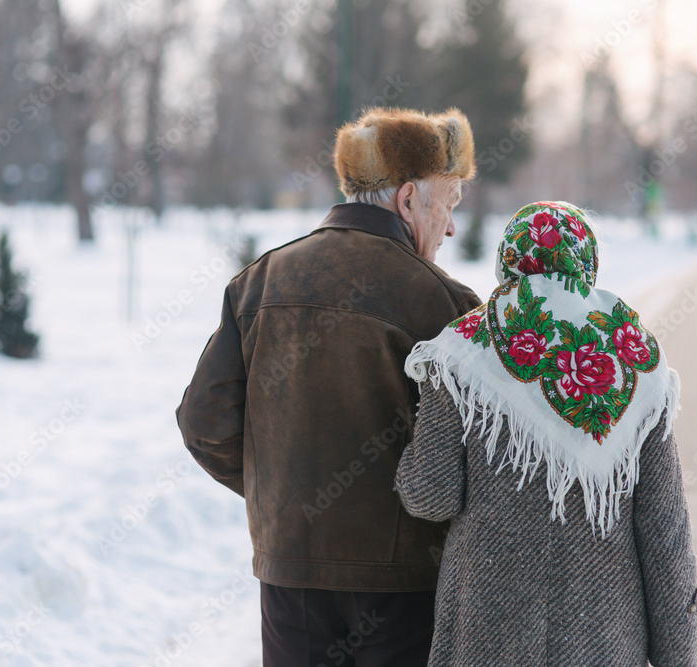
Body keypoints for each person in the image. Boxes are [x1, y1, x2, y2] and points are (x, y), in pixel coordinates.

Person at [176, 106, 482, 667]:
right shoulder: (445, 304)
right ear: (409, 198)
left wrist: (286, 496)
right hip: (404, 587)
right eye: (450, 202)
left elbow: (204, 421)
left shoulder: (260, 281)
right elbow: (473, 459)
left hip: (290, 573)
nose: (453, 226)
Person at [395, 201, 697, 666]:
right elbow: (664, 534)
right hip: (604, 638)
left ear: (508, 262)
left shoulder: (462, 351)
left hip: (489, 631)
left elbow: (431, 497)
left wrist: (404, 466)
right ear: (587, 264)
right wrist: (679, 655)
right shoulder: (635, 360)